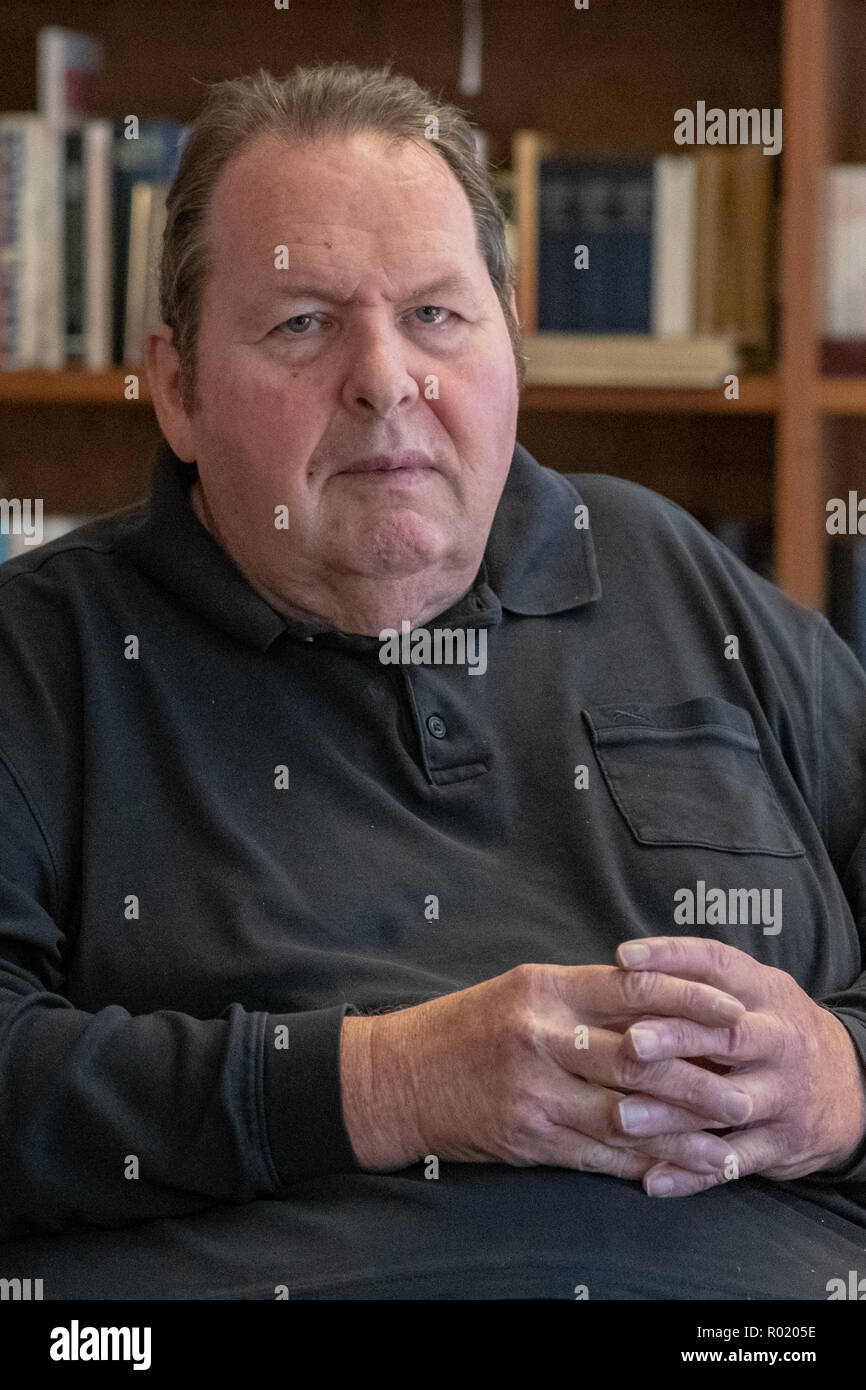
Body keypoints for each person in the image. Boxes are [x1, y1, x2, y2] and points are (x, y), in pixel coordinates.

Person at [1, 61, 866, 1301]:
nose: (384, 378)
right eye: (303, 321)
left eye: (434, 315)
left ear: (509, 335)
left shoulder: (674, 578)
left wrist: (838, 1083)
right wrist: (386, 1085)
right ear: (179, 386)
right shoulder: (47, 655)